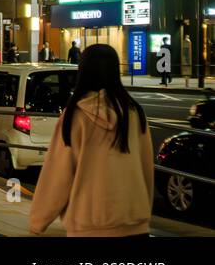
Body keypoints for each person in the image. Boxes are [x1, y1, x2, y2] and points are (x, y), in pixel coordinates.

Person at [30, 44, 152, 238]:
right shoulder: (133, 113)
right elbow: (146, 169)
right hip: (135, 224)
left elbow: (58, 174)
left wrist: (38, 221)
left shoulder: (75, 116)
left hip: (89, 226)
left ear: (83, 71)